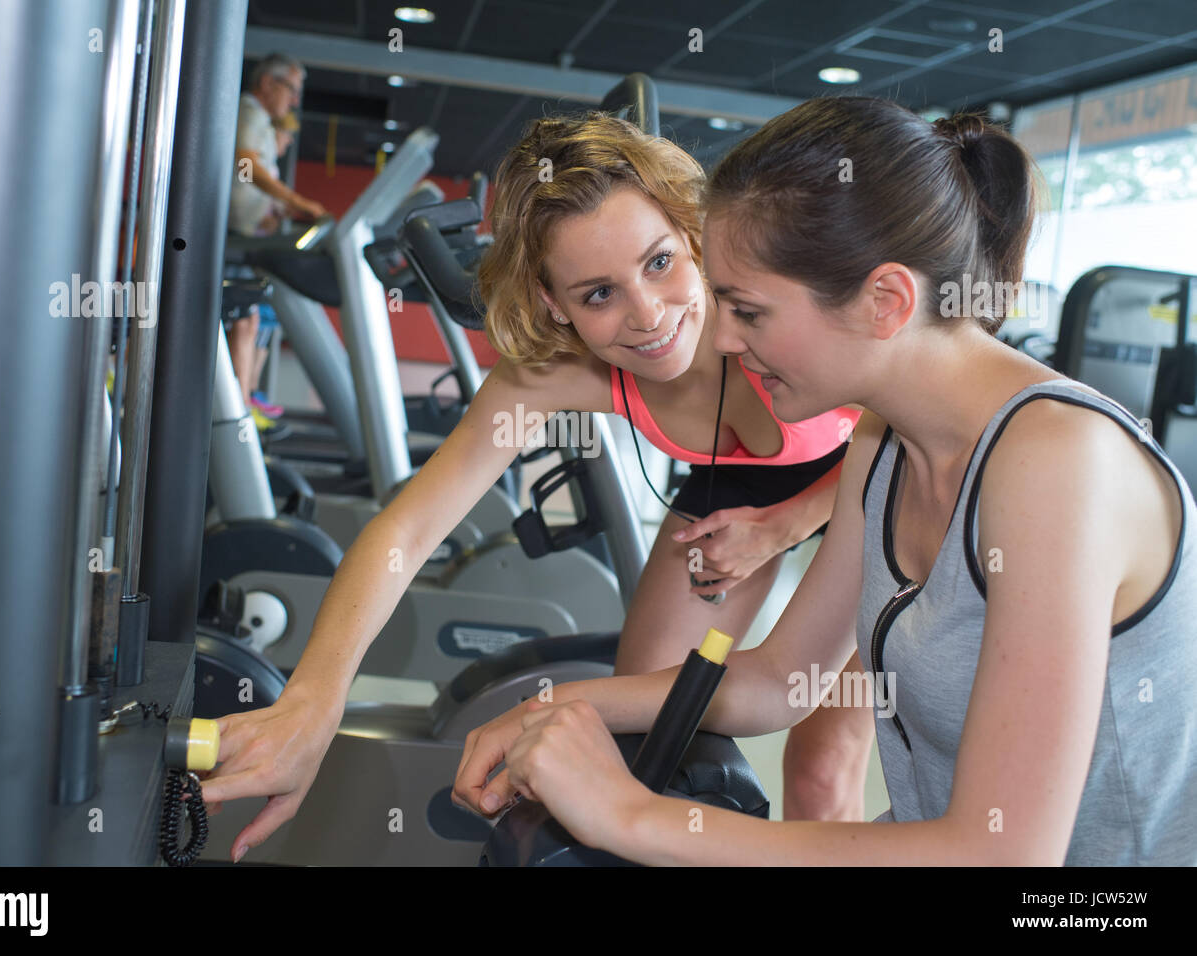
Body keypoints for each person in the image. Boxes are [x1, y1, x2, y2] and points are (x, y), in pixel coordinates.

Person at [451, 97, 1197, 866]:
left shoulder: (1058, 464)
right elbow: (781, 680)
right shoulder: (883, 442)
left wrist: (629, 815)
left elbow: (997, 856)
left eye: (747, 310)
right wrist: (557, 707)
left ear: (886, 302)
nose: (726, 338)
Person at [199, 113, 876, 861]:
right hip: (737, 481)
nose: (648, 316)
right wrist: (311, 704)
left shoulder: (770, 304)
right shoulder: (553, 373)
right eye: (598, 295)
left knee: (821, 759)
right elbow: (407, 532)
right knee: (648, 722)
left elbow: (922, 430)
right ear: (553, 303)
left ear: (691, 231)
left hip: (878, 469)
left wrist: (782, 525)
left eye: (658, 263)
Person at [227, 53, 325, 423]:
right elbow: (245, 165)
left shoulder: (262, 122)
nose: (295, 100)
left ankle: (241, 404)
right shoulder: (250, 110)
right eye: (292, 89)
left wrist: (278, 210)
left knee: (249, 320)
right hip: (229, 236)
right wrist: (297, 200)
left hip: (245, 236)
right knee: (245, 319)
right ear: (268, 83)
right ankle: (237, 410)